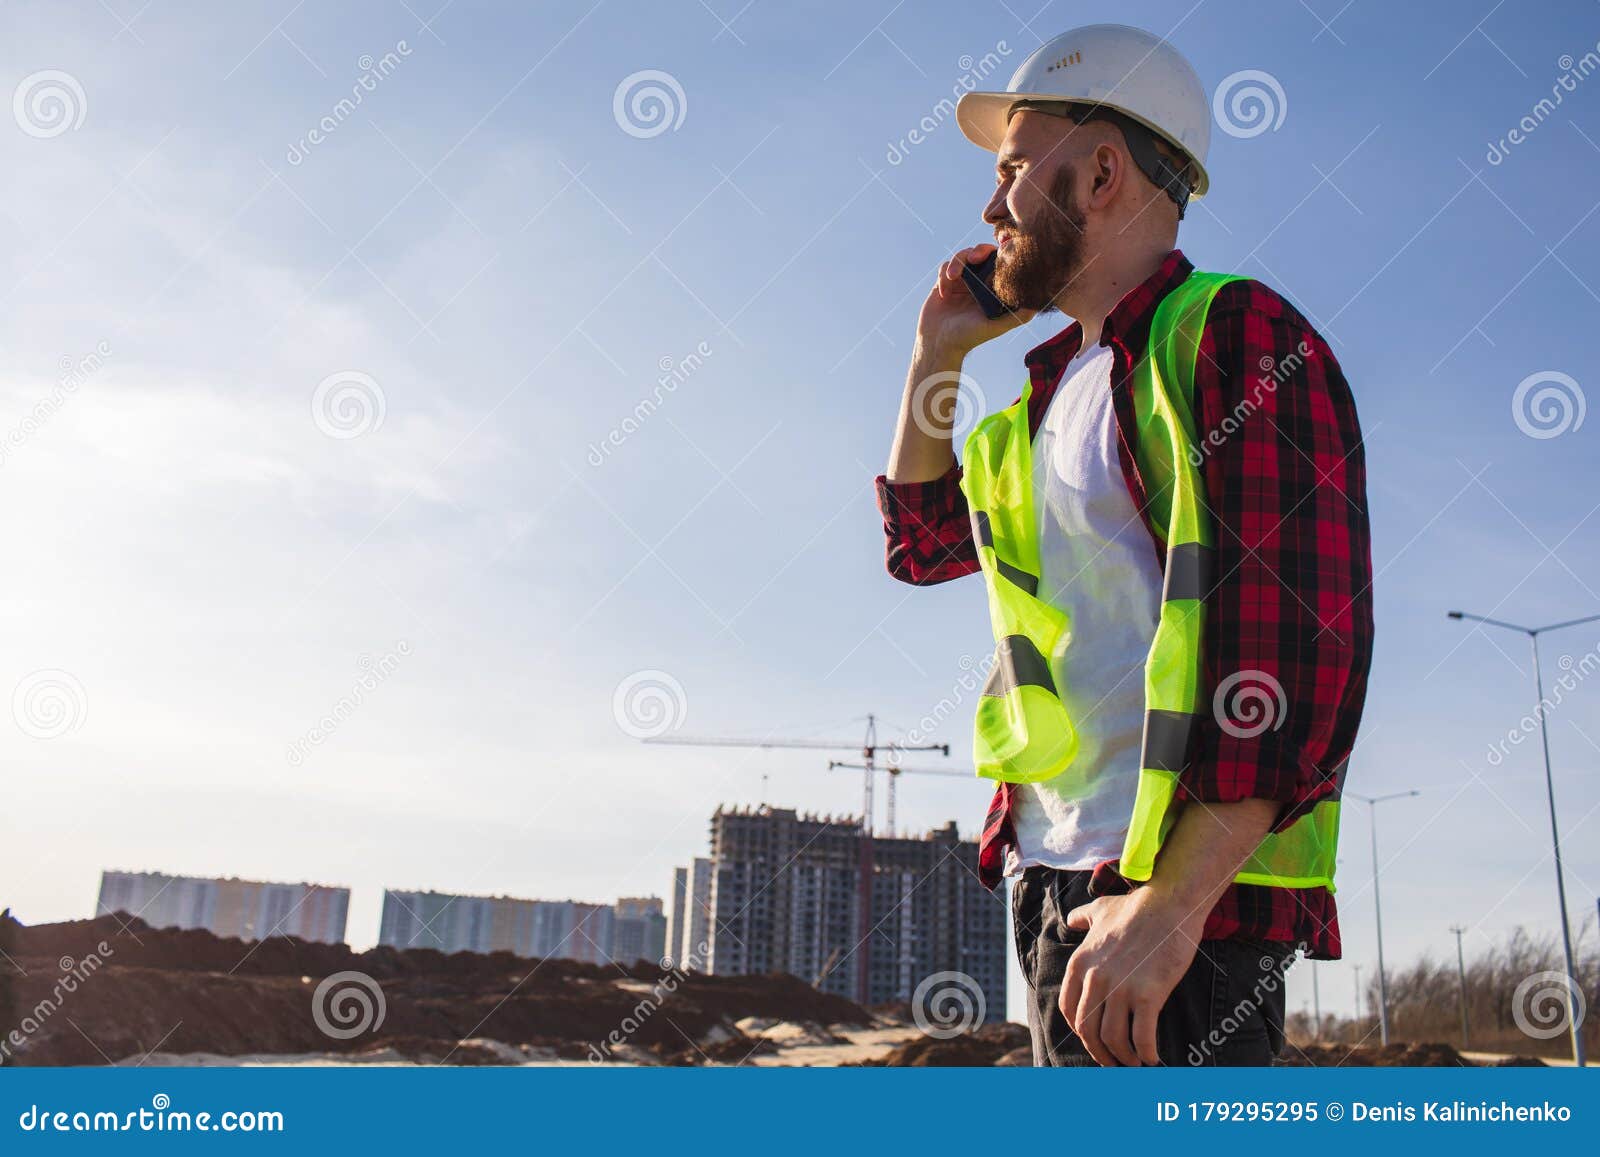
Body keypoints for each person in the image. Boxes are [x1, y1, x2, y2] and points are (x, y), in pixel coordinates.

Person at [875, 24, 1373, 1066]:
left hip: (1171, 900)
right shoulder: (1041, 404)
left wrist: (1174, 903)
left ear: (1101, 171)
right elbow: (921, 545)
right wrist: (937, 351)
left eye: (1014, 169)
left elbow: (1296, 640)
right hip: (1051, 873)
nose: (990, 206)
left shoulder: (1232, 334)